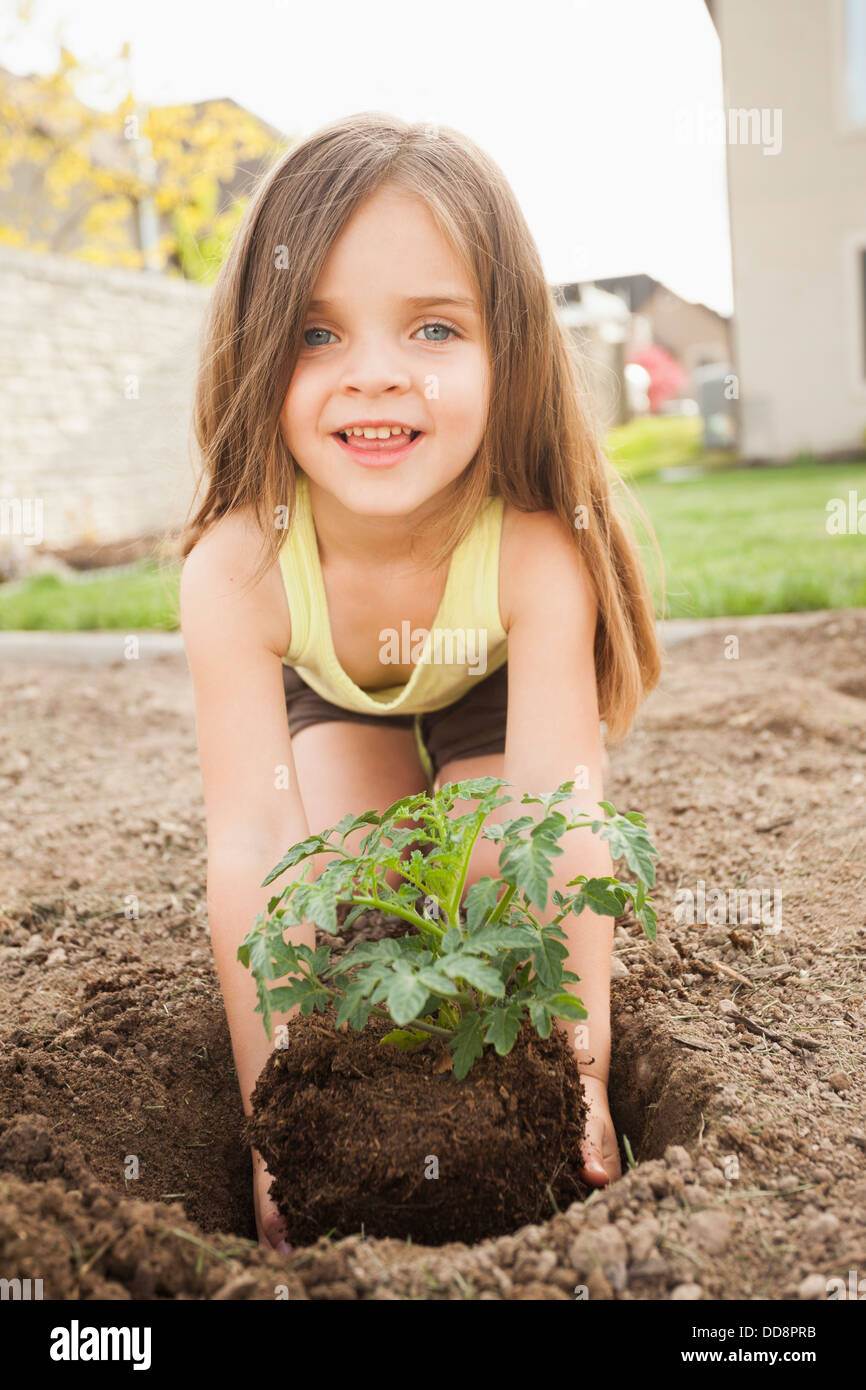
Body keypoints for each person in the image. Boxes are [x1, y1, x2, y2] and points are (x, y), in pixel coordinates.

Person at [178, 112, 662, 1253]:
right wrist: (273, 1137)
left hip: (484, 686)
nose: (376, 376)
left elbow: (565, 820)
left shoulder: (537, 549)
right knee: (355, 882)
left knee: (497, 859)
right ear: (256, 350)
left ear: (508, 353)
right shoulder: (238, 568)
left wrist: (579, 1076)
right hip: (339, 694)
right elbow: (252, 850)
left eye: (434, 327)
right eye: (315, 335)